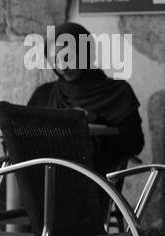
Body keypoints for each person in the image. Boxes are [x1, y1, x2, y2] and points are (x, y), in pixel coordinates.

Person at [27, 21, 144, 175]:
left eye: (68, 57)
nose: (62, 67)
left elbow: (135, 143)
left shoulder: (117, 92)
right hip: (41, 177)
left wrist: (96, 120)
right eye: (54, 60)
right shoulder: (44, 94)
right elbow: (18, 138)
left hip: (92, 180)